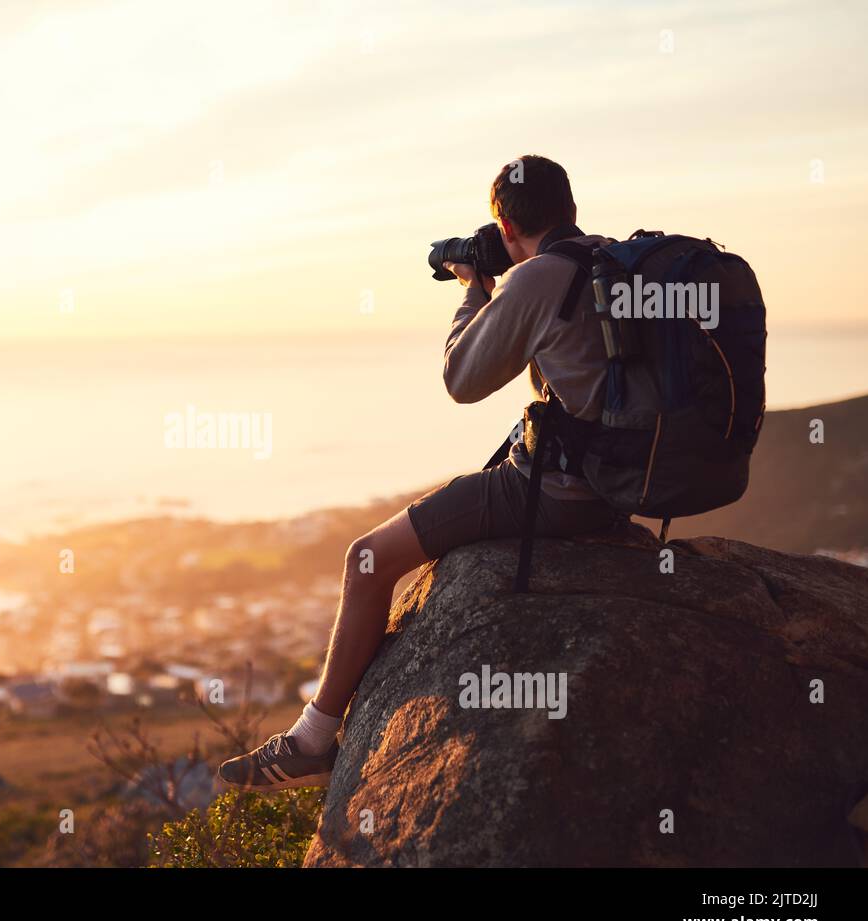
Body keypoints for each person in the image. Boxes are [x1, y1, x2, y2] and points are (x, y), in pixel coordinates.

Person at [219, 155, 619, 791]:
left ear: (505, 226)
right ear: (570, 208)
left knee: (367, 558)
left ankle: (312, 741)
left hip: (560, 493)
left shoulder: (538, 279)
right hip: (621, 485)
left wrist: (474, 288)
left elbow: (463, 380)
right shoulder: (610, 261)